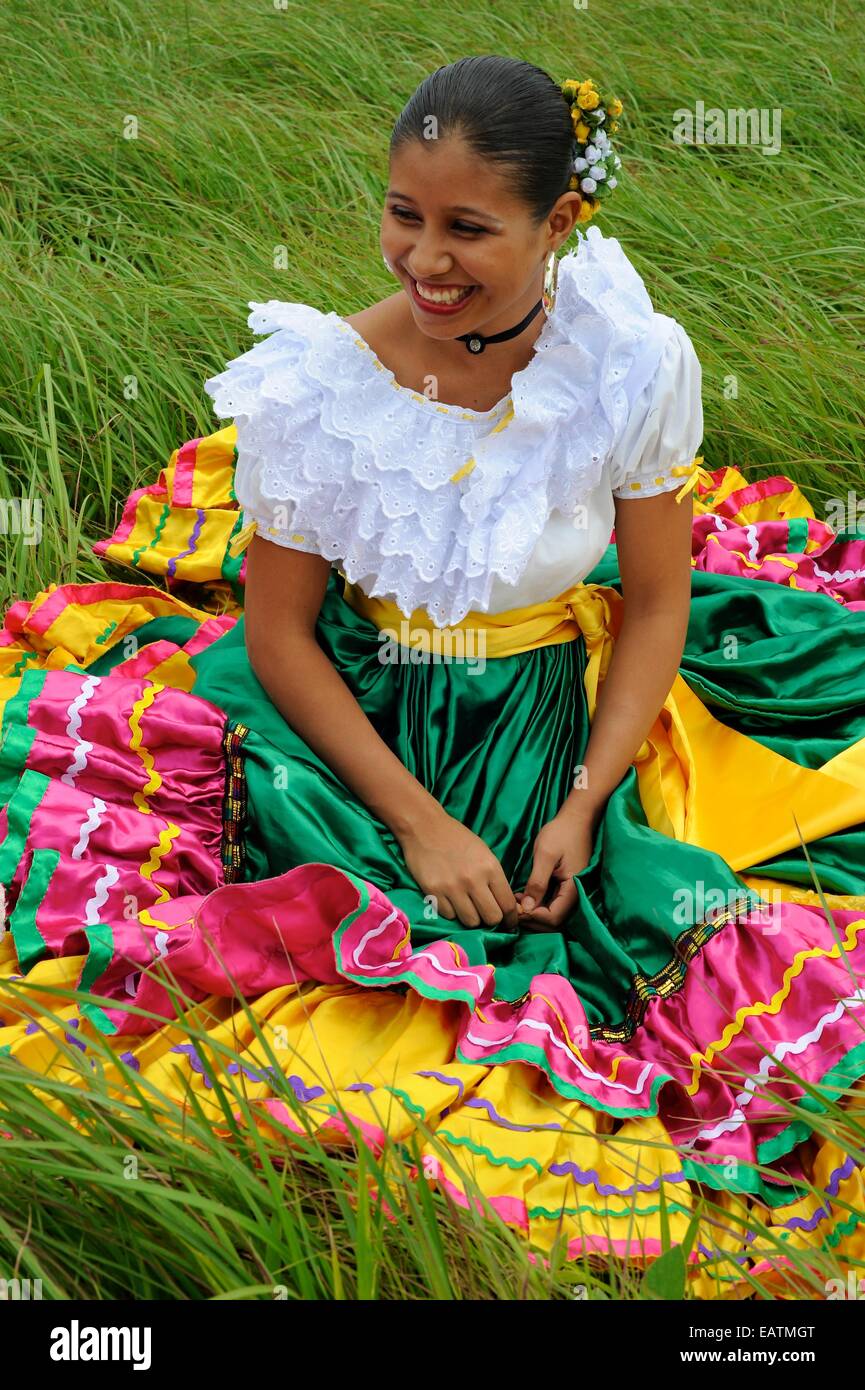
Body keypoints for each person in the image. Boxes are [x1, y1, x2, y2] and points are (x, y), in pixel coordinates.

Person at [3, 55, 865, 1284]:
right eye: (404, 215)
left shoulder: (631, 360)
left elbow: (659, 598)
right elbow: (278, 635)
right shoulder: (323, 387)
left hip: (558, 707)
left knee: (656, 921)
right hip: (353, 715)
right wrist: (419, 829)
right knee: (317, 969)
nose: (422, 260)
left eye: (469, 227)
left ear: (560, 220)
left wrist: (581, 798)